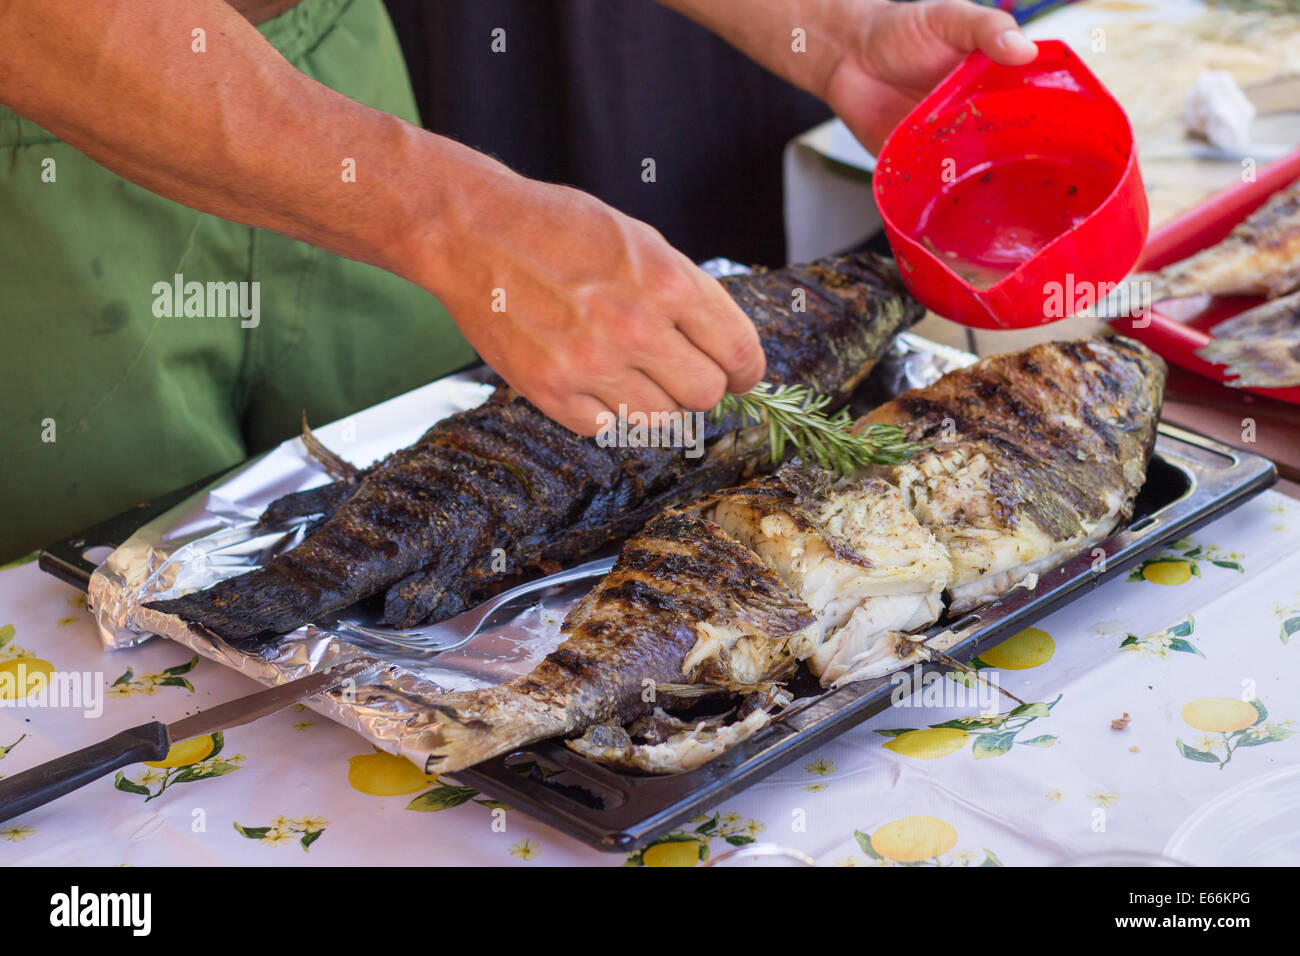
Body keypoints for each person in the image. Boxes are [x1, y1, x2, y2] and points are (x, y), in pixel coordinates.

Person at [0, 0, 1036, 560]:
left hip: (330, 84)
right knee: (90, 670)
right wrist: (458, 217)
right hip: (41, 172)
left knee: (434, 559)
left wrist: (829, 27)